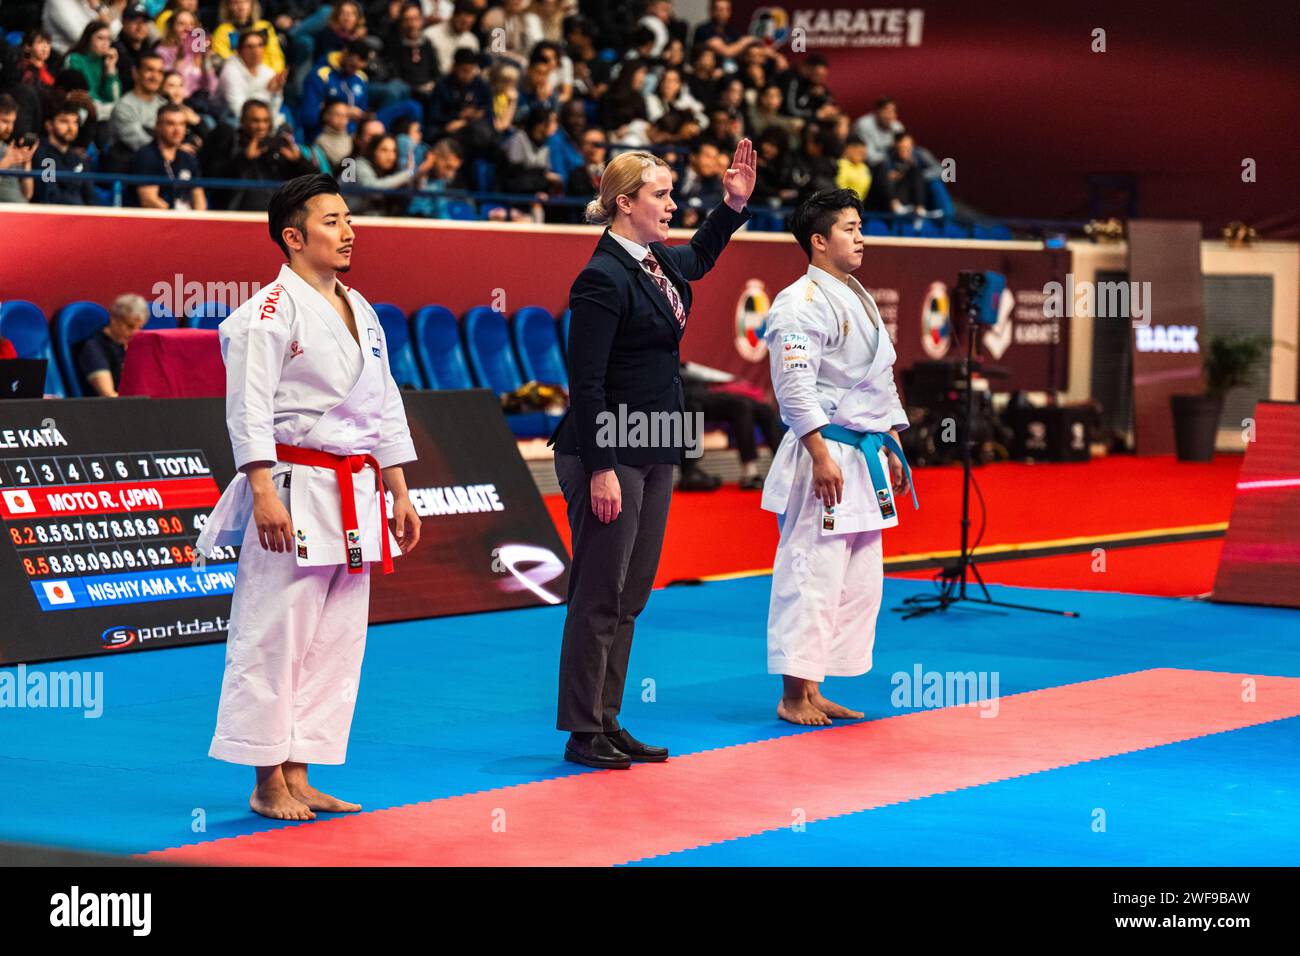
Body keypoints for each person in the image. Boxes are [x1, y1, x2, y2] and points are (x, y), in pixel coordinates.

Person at [193, 173, 421, 820]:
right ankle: (266, 779)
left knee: (334, 639)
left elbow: (385, 403)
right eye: (331, 221)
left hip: (354, 487)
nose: (348, 231)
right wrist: (262, 490)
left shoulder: (363, 308)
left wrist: (399, 489)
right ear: (293, 238)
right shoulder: (264, 313)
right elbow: (249, 409)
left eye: (349, 218)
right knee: (276, 632)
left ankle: (301, 770)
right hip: (294, 485)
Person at [547, 140, 756, 769]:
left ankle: (608, 719)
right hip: (604, 451)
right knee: (599, 592)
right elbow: (584, 383)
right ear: (623, 203)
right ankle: (584, 729)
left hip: (655, 441)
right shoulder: (600, 277)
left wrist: (732, 207)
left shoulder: (656, 262)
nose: (671, 205)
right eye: (660, 195)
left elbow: (697, 257)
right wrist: (604, 467)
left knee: (632, 592)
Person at [759, 189, 917, 726]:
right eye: (849, 228)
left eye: (860, 226)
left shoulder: (857, 295)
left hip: (863, 454)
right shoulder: (798, 303)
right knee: (810, 570)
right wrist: (819, 453)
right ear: (819, 241)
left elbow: (881, 378)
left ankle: (815, 685)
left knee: (855, 577)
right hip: (824, 453)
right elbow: (794, 388)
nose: (860, 236)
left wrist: (893, 439)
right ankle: (791, 695)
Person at [131, 103, 206, 209]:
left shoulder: (188, 158)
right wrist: (177, 218)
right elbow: (149, 200)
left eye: (182, 124)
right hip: (158, 221)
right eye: (171, 124)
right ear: (158, 126)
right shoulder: (146, 156)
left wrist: (199, 220)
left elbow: (198, 196)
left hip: (186, 219)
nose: (177, 130)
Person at [77, 293, 150, 397]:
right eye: (130, 326)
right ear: (114, 319)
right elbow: (108, 395)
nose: (134, 332)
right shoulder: (93, 348)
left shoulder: (136, 346)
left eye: (139, 327)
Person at [0, 95, 36, 203]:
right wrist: (5, 164)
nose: (10, 128)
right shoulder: (9, 155)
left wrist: (26, 163)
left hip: (22, 212)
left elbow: (28, 194)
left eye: (12, 122)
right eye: (5, 121)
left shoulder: (9, 150)